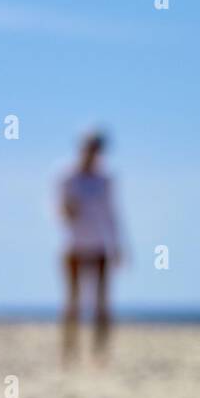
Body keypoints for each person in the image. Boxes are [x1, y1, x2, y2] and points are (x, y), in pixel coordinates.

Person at [58, 132, 123, 361]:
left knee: (101, 304)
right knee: (72, 302)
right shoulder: (68, 178)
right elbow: (61, 213)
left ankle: (100, 353)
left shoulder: (105, 180)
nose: (94, 154)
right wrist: (68, 210)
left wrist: (117, 246)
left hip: (99, 246)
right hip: (74, 246)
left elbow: (112, 215)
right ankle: (69, 351)